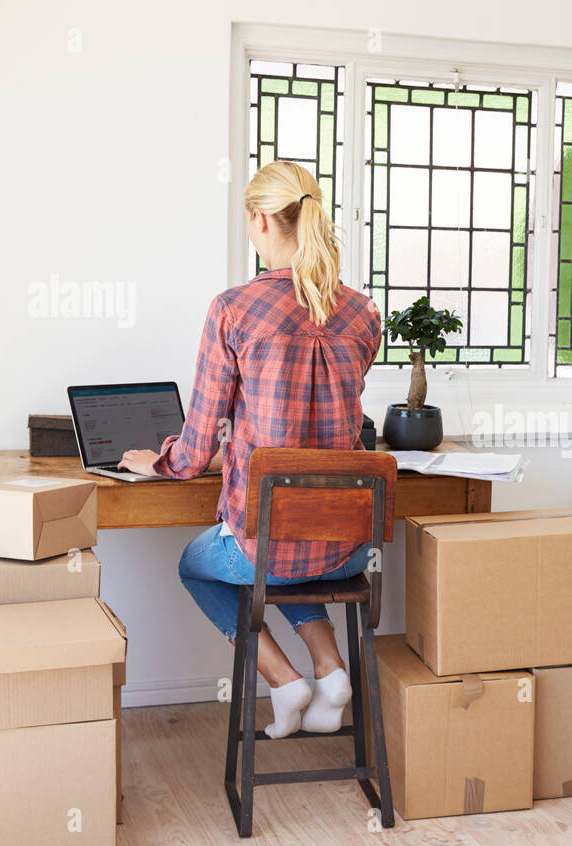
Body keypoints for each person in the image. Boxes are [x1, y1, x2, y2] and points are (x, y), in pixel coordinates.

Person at [117, 161, 381, 739]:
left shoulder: (233, 309)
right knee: (282, 547)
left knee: (208, 564)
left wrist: (160, 460)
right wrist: (238, 451)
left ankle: (285, 680)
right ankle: (331, 669)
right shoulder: (362, 313)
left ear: (259, 220)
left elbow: (193, 449)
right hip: (350, 549)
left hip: (274, 546)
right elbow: (326, 422)